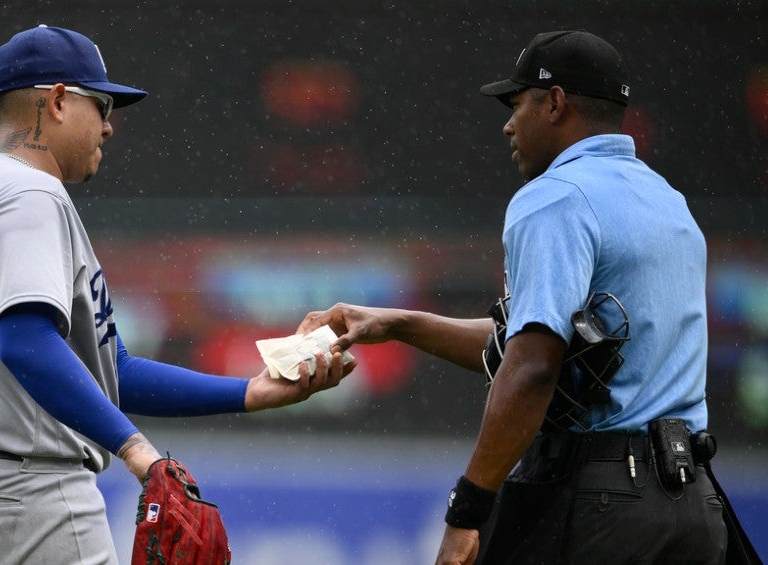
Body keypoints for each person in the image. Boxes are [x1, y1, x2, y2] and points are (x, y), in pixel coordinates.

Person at [0, 24, 354, 564]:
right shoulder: (30, 194)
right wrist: (137, 452)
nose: (109, 127)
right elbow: (26, 342)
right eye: (102, 105)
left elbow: (112, 374)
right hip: (15, 494)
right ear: (59, 101)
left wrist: (250, 392)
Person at [299, 31, 731, 564]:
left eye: (517, 103)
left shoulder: (555, 197)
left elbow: (530, 367)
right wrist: (399, 323)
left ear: (554, 103)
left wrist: (467, 510)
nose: (507, 123)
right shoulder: (669, 203)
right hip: (694, 506)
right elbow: (537, 341)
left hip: (599, 503)